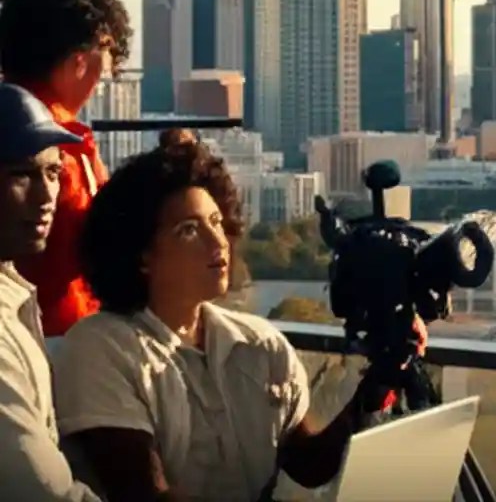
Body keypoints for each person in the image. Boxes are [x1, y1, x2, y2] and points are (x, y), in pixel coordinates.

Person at [54, 138, 421, 501]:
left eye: (216, 221)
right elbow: (144, 495)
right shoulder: (100, 349)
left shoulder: (259, 343)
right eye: (189, 230)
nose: (218, 242)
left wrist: (376, 387)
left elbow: (309, 464)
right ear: (141, 256)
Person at [0, 0, 133, 337]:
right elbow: (106, 251)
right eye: (103, 57)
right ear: (80, 59)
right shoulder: (61, 148)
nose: (103, 75)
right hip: (59, 340)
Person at [0, 83, 100, 500]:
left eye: (53, 173)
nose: (46, 197)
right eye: (21, 174)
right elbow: (43, 491)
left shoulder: (14, 292)